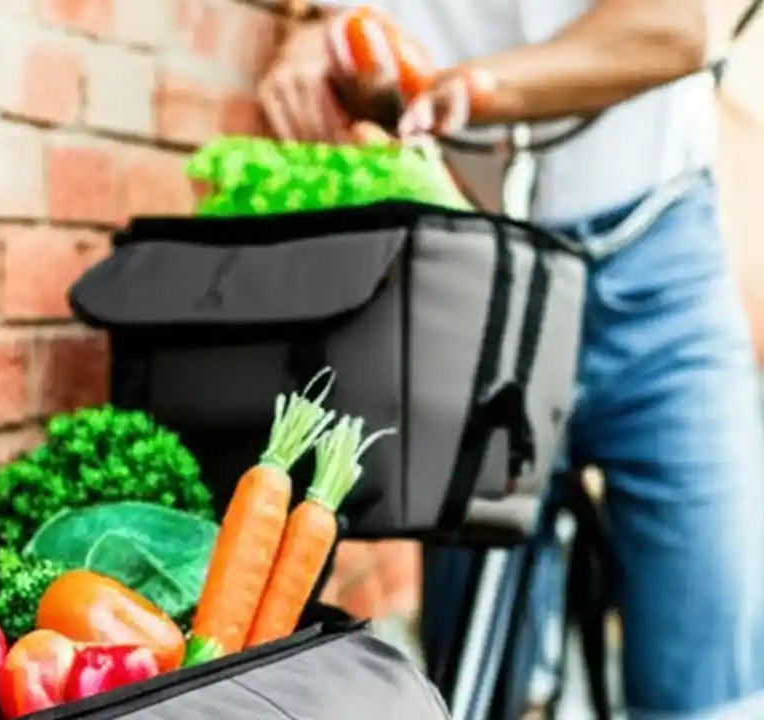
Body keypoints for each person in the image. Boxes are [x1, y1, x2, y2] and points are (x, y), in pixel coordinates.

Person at [258, 1, 764, 719]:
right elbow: (347, 32)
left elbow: (676, 28)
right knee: (470, 676)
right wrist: (318, 40)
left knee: (708, 659)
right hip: (481, 270)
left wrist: (478, 88)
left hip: (660, 260)